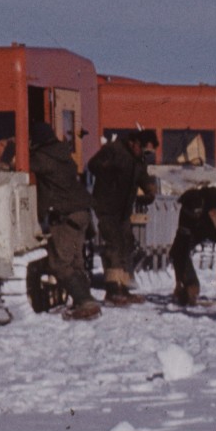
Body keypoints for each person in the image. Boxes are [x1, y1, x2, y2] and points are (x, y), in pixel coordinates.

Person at [28, 121, 100, 320]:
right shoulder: (62, 153)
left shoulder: (42, 157)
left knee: (59, 263)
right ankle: (84, 301)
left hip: (65, 214)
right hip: (82, 212)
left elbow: (18, 165)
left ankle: (85, 302)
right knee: (76, 261)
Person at [87, 129, 157, 306]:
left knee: (126, 244)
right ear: (135, 143)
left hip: (123, 210)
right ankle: (112, 290)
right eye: (145, 150)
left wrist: (149, 189)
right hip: (107, 206)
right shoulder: (114, 150)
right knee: (115, 245)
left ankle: (123, 287)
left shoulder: (137, 159)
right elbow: (93, 165)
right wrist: (110, 172)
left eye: (149, 153)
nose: (145, 154)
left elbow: (142, 175)